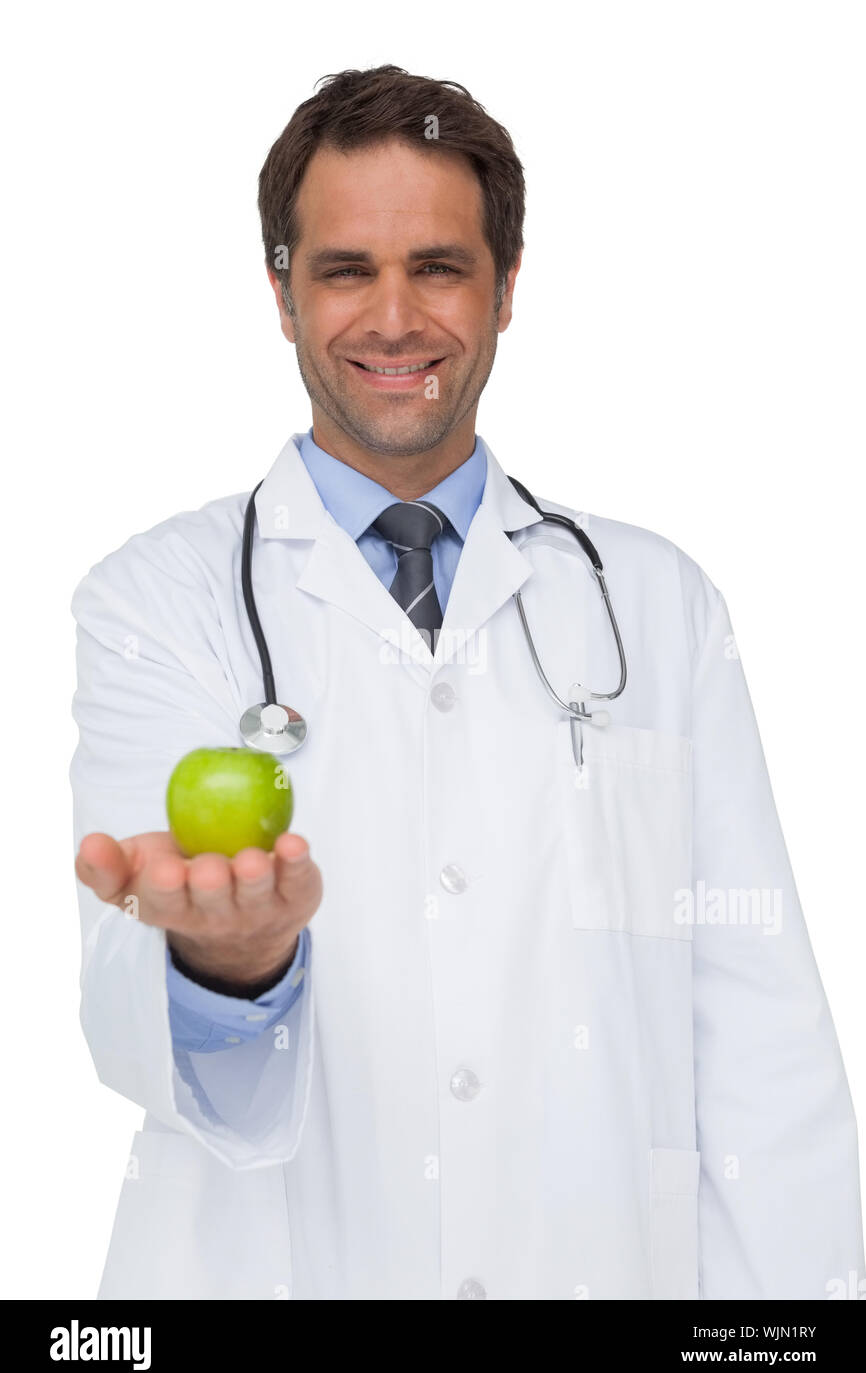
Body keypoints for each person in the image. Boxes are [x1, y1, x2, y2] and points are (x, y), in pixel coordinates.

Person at [70, 63, 864, 1301]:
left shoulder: (654, 605)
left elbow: (760, 1040)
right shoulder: (154, 604)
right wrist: (233, 967)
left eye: (437, 266)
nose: (394, 319)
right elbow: (128, 1018)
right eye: (344, 271)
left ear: (504, 291)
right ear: (281, 293)